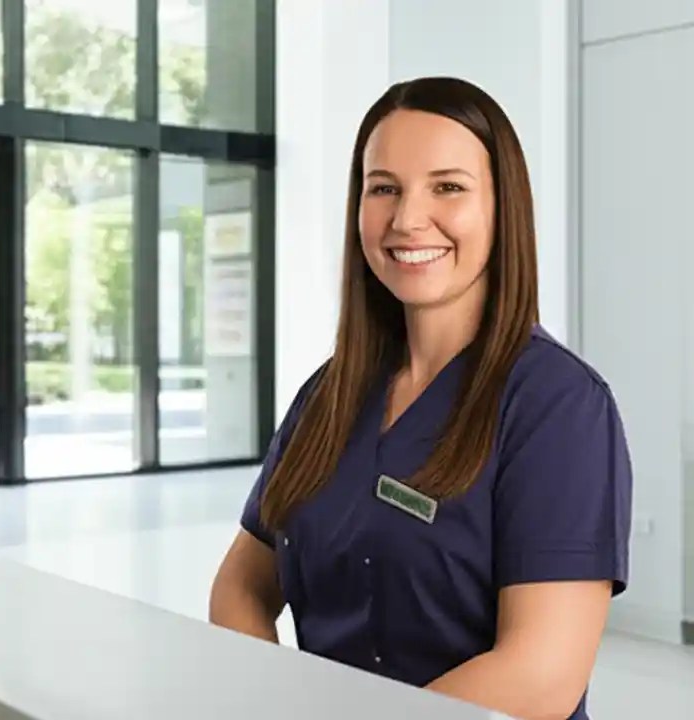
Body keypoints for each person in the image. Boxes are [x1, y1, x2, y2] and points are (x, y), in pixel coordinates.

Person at [209, 76, 632, 720]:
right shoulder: (328, 395)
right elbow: (240, 586)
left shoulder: (558, 406)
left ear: (502, 209)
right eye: (384, 188)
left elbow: (542, 677)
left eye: (448, 187)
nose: (407, 219)